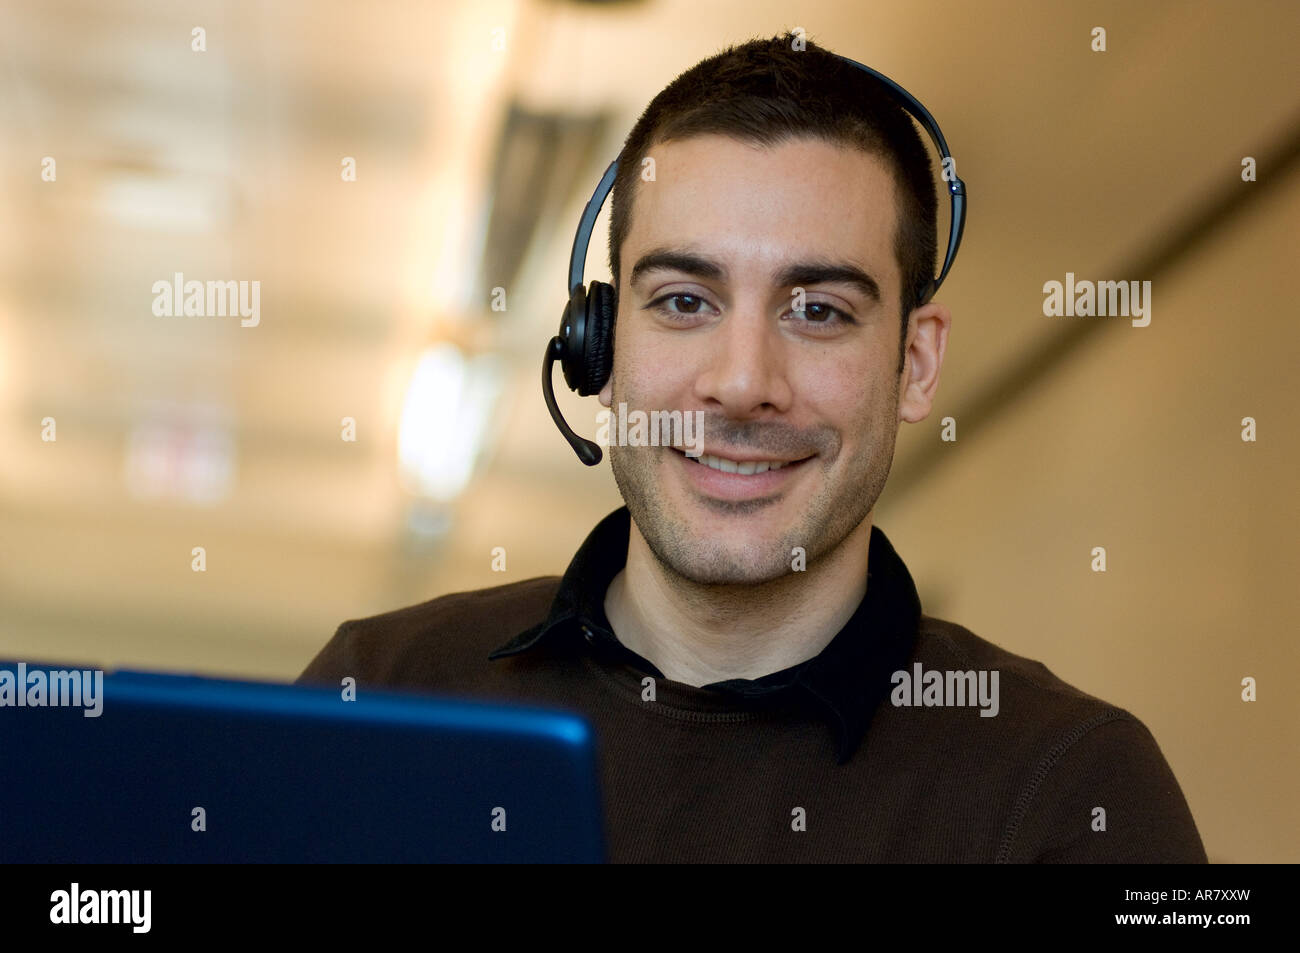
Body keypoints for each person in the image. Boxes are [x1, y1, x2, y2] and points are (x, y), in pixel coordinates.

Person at [298, 33, 1206, 863]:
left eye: (818, 310)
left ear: (916, 362)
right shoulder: (378, 694)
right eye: (685, 301)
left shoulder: (1070, 789)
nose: (741, 382)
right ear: (600, 346)